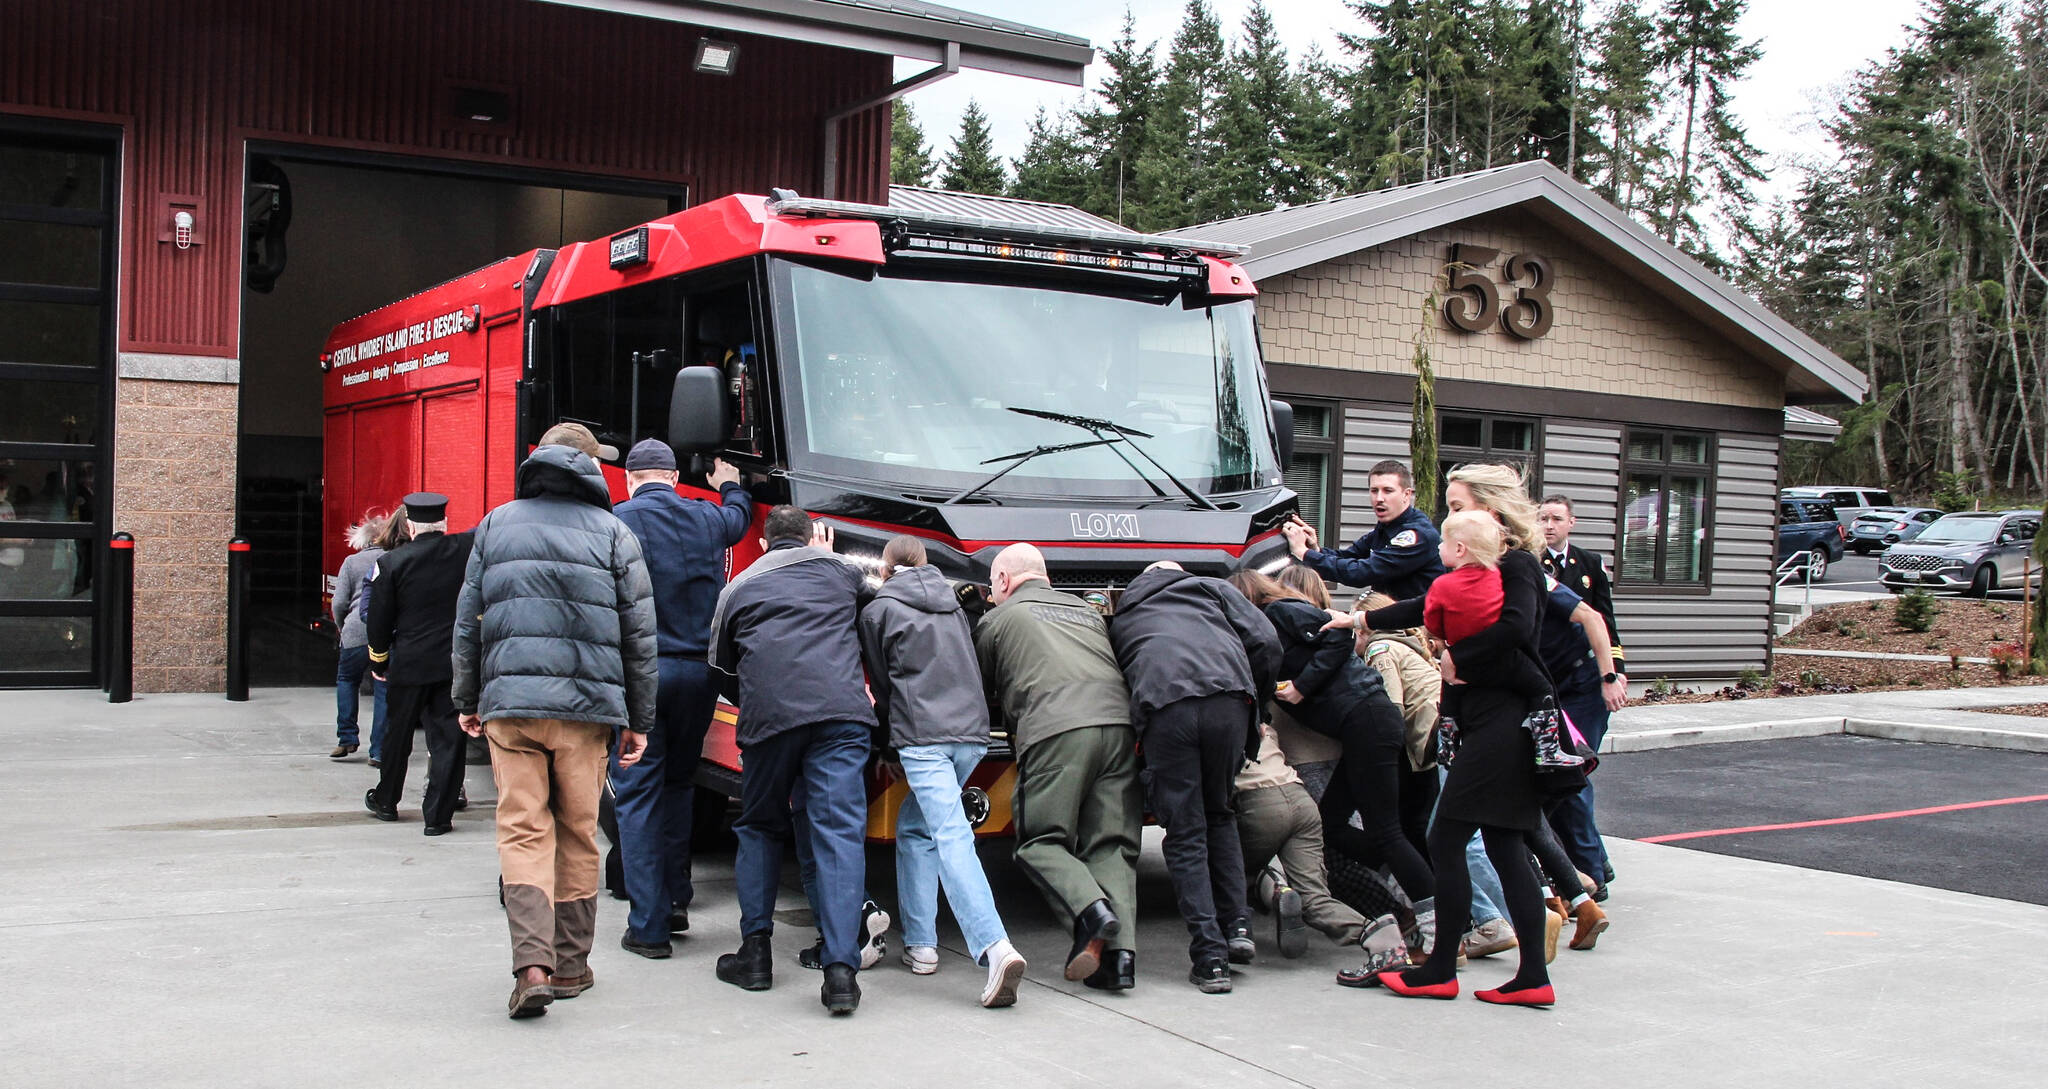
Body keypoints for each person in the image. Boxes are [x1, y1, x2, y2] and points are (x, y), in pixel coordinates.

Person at [451, 429, 656, 1020]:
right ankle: (570, 965)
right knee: (578, 830)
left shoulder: (496, 524)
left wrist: (469, 696)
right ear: (591, 467)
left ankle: (531, 966)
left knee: (522, 828)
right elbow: (639, 637)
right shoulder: (616, 534)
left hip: (511, 704)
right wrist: (638, 720)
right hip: (586, 711)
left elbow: (468, 621)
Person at [1338, 463, 1560, 1007]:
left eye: (1458, 508)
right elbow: (1425, 604)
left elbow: (1517, 631)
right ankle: (1532, 978)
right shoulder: (1471, 572)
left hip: (1504, 720)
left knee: (1445, 838)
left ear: (1492, 510)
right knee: (1505, 845)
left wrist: (1458, 655)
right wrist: (1363, 622)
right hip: (1486, 717)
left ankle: (1440, 969)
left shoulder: (1518, 566)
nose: (1449, 519)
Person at [708, 505, 877, 1015]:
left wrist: (762, 698)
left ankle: (755, 955)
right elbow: (878, 614)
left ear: (763, 543)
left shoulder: (737, 588)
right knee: (838, 834)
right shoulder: (844, 572)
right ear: (812, 538)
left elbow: (720, 667)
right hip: (842, 718)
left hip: (769, 721)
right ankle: (841, 971)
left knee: (759, 827)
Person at [858, 535, 1027, 1008]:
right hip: (971, 736)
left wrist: (889, 744)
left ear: (886, 569)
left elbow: (884, 686)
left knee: (951, 835)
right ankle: (922, 945)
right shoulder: (955, 606)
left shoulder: (878, 610)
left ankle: (996, 948)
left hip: (923, 735)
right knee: (917, 828)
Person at [1228, 570, 1435, 950]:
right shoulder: (1271, 626)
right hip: (1362, 727)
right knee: (1331, 828)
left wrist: (1303, 686)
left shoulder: (1281, 611)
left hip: (1368, 720)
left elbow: (1339, 633)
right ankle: (1404, 879)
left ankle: (1440, 925)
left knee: (1387, 833)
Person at [975, 543, 1141, 992]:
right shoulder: (1088, 614)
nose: (992, 594)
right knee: (1112, 845)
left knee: (1041, 840)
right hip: (1119, 726)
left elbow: (982, 692)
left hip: (1056, 730)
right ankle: (1119, 962)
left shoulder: (998, 619)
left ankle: (1091, 912)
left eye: (993, 585)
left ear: (1005, 581)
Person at [1109, 561, 1280, 994]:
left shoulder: (1126, 611)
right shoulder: (1210, 588)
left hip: (1168, 710)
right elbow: (1265, 641)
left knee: (1186, 832)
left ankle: (1210, 959)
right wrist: (1257, 705)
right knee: (1220, 814)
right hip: (1229, 703)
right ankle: (1238, 925)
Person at [609, 438, 751, 959]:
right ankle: (677, 899)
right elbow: (739, 513)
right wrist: (728, 482)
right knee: (678, 786)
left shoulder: (616, 521)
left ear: (629, 480)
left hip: (641, 675)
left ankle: (648, 926)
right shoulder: (707, 519)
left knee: (638, 793)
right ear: (672, 479)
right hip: (700, 675)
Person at [363, 492, 474, 835]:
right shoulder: (464, 550)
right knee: (449, 739)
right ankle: (438, 816)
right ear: (445, 523)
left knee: (398, 735)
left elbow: (379, 621)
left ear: (410, 526)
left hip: (409, 663)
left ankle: (386, 801)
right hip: (450, 663)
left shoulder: (391, 563)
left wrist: (379, 660)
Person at [1538, 494, 1625, 891]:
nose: (1549, 525)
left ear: (1572, 522)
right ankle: (1597, 865)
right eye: (1543, 518)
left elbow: (1604, 620)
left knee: (1574, 775)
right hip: (1549, 683)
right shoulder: (1530, 563)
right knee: (1560, 778)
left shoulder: (1588, 565)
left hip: (1584, 683)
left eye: (1556, 518)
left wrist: (1614, 674)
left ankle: (1589, 871)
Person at [1233, 719, 1371, 956]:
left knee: (1229, 873)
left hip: (1259, 806)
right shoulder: (1265, 727)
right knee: (1314, 897)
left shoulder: (1220, 726)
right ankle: (1376, 933)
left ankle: (1274, 893)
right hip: (1301, 801)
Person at [1281, 460, 1446, 598]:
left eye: (1388, 491)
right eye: (1374, 491)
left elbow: (1361, 573)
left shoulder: (1416, 535)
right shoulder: (1386, 528)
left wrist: (1304, 553)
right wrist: (1315, 549)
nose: (1379, 498)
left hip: (1415, 630)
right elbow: (1349, 556)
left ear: (1406, 494)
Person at [329, 509, 389, 761]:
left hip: (354, 630)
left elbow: (339, 602)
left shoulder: (351, 563)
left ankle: (347, 737)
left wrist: (343, 627)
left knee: (347, 680)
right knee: (383, 690)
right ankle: (379, 751)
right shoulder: (394, 558)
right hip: (384, 632)